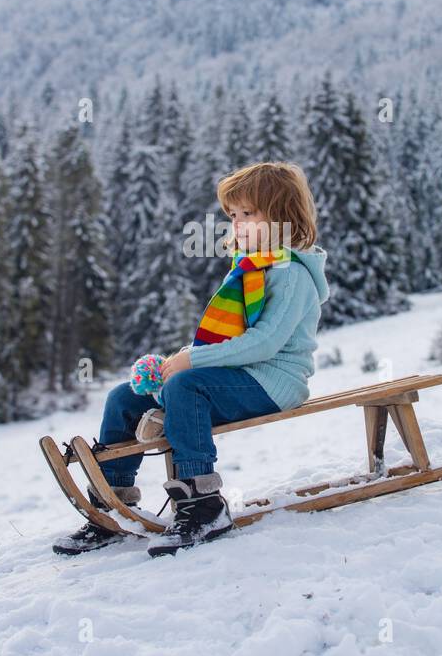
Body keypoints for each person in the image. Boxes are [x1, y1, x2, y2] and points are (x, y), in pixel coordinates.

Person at [54, 161, 331, 556]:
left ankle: (203, 504)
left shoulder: (291, 275)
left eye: (248, 213)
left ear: (283, 216)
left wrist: (191, 364)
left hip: (275, 381)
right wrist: (181, 359)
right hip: (234, 376)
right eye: (233, 215)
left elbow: (264, 344)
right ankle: (112, 506)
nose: (236, 224)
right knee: (124, 398)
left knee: (187, 384)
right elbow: (224, 335)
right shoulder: (247, 269)